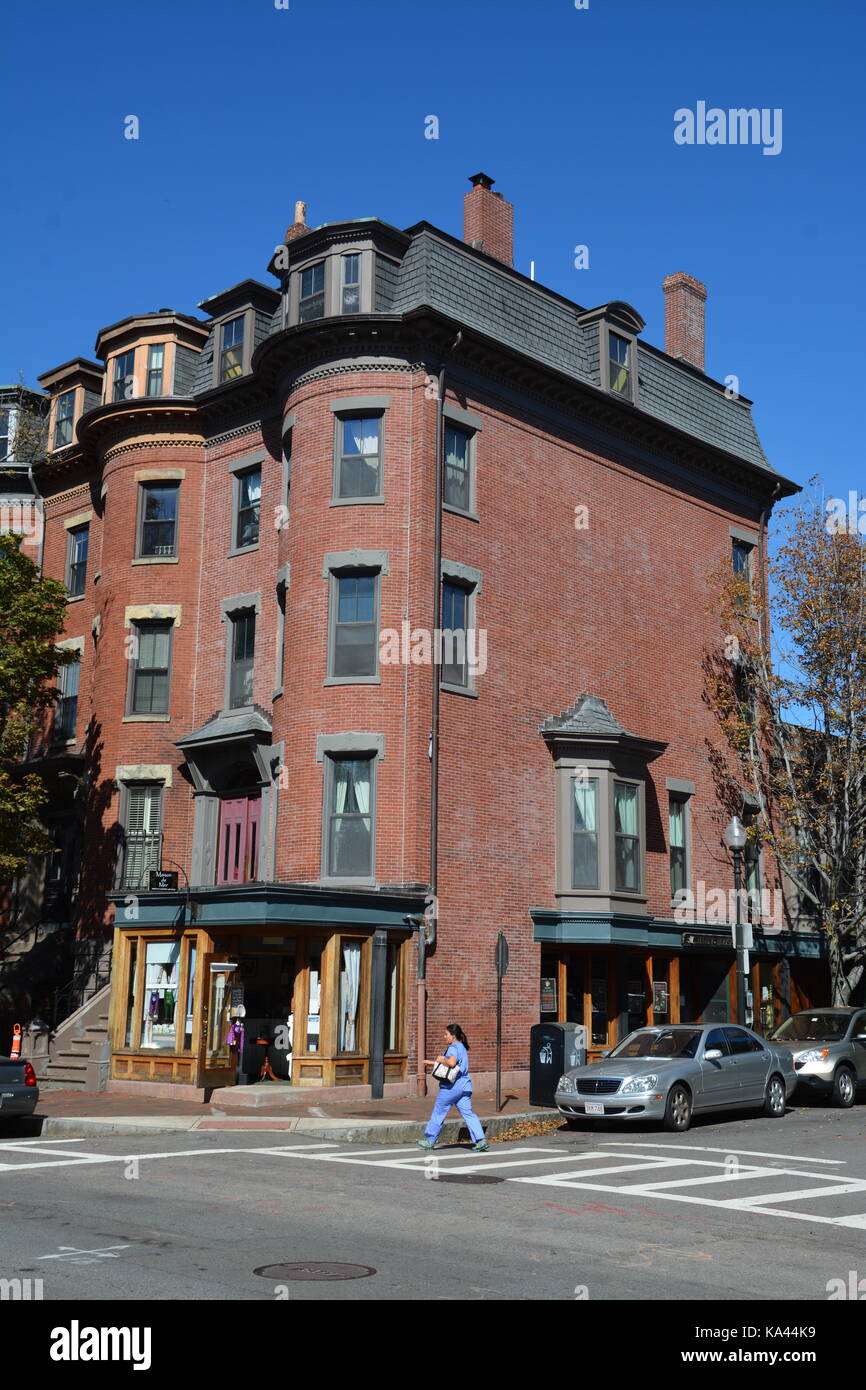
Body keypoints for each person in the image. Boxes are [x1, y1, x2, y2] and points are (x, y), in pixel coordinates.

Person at [417, 1023, 488, 1152]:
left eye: (446, 1035)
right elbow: (456, 1065)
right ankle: (480, 1140)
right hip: (465, 1086)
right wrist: (432, 1063)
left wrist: (439, 1059)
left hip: (451, 1087)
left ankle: (429, 1140)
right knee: (468, 1114)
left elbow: (451, 1063)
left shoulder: (453, 1047)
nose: (445, 1037)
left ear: (453, 1036)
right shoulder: (462, 1047)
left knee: (439, 1112)